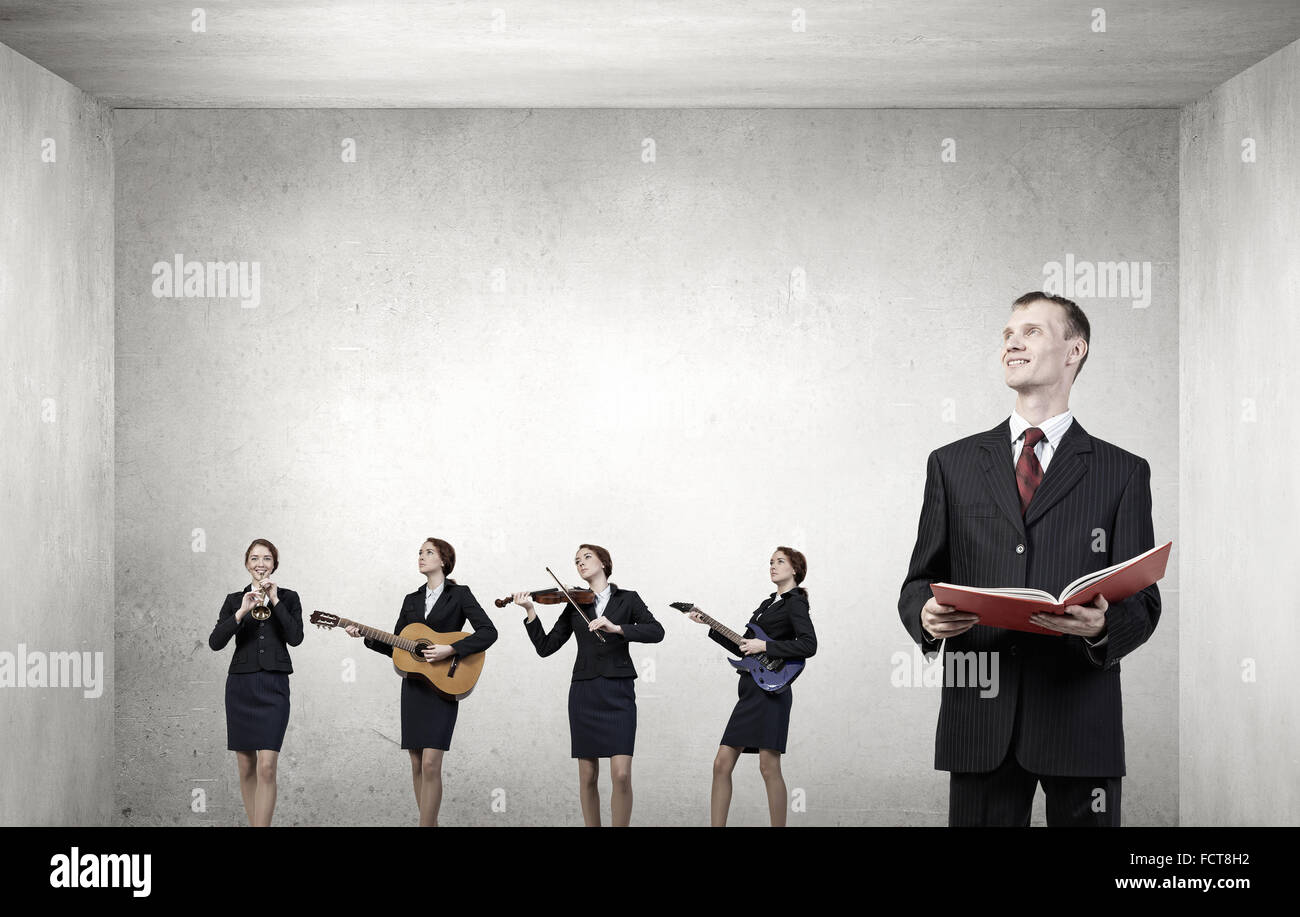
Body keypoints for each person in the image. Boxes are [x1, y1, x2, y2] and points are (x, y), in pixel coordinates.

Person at [898, 292, 1161, 826]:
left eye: (1033, 331)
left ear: (1074, 351)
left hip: (1080, 720)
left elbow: (1145, 602)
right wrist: (924, 615)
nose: (1012, 342)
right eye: (1007, 334)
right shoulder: (951, 465)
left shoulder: (1123, 471)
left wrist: (1101, 627)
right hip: (979, 719)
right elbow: (920, 580)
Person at [346, 537, 497, 826]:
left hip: (444, 687)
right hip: (414, 687)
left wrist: (450, 649)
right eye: (419, 552)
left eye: (429, 552)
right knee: (416, 762)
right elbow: (397, 645)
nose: (421, 556)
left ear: (443, 560)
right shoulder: (411, 600)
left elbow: (488, 632)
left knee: (431, 763)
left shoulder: (460, 594)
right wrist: (363, 635)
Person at [514, 543, 664, 826]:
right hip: (584, 691)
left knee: (621, 774)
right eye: (576, 560)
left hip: (618, 691)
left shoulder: (628, 599)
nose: (580, 563)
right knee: (587, 775)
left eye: (587, 557)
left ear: (604, 563)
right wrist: (530, 611)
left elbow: (657, 631)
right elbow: (546, 647)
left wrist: (617, 627)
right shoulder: (575, 604)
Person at [688, 547, 817, 827]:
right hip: (749, 690)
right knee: (722, 764)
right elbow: (744, 646)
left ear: (794, 569)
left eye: (780, 561)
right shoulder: (767, 604)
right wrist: (708, 624)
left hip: (772, 691)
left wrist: (766, 645)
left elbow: (809, 645)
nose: (772, 566)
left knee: (768, 767)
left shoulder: (795, 602)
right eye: (770, 562)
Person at [208, 538, 304, 827]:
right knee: (247, 765)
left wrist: (274, 599)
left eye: (266, 559)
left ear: (274, 564)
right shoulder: (233, 599)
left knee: (267, 767)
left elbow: (295, 638)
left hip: (274, 686)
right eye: (254, 558)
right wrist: (241, 610)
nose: (260, 564)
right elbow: (215, 642)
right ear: (246, 564)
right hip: (241, 686)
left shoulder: (288, 597)